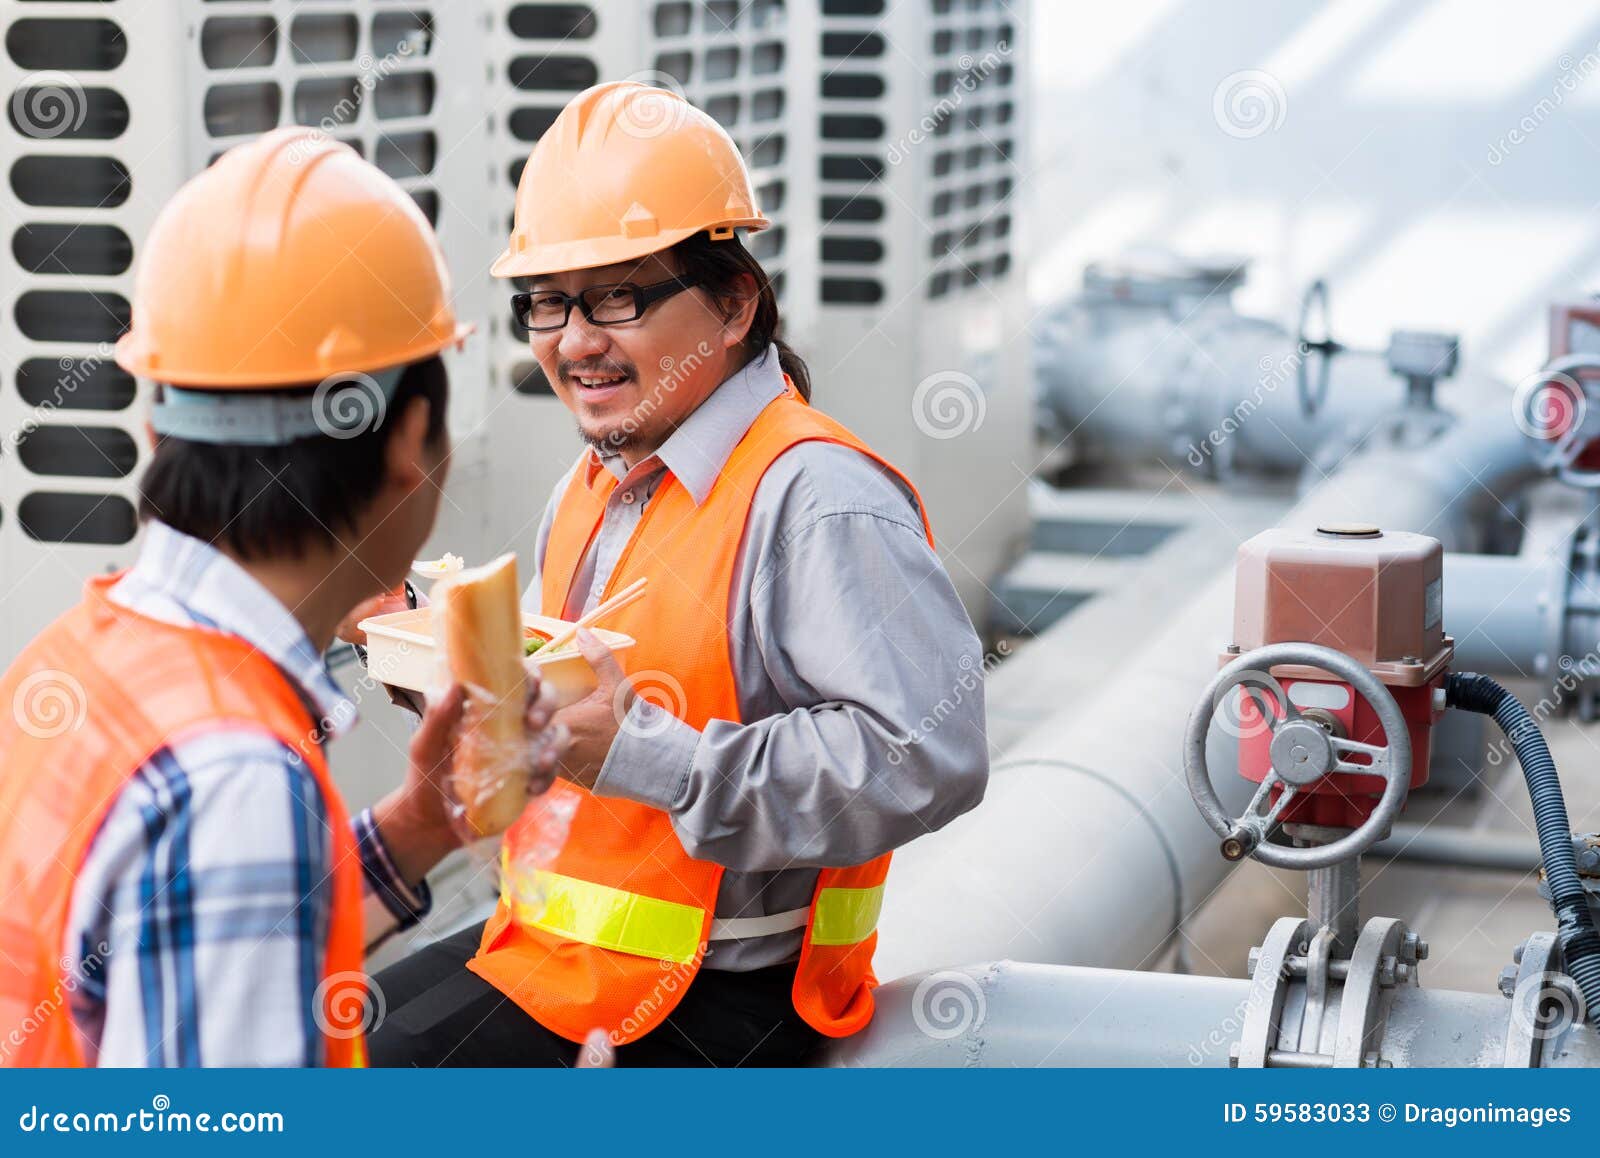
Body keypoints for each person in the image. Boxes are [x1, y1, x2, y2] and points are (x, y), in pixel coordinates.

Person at [367, 81, 989, 1068]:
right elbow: (556, 720)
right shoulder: (595, 483)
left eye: (618, 296)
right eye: (546, 304)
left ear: (733, 302)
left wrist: (658, 758)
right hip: (549, 959)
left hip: (719, 1003)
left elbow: (927, 756)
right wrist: (431, 663)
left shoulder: (817, 498)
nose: (573, 341)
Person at [0, 128, 560, 1067]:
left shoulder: (75, 657)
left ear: (157, 421)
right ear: (409, 437)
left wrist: (421, 825)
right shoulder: (239, 779)